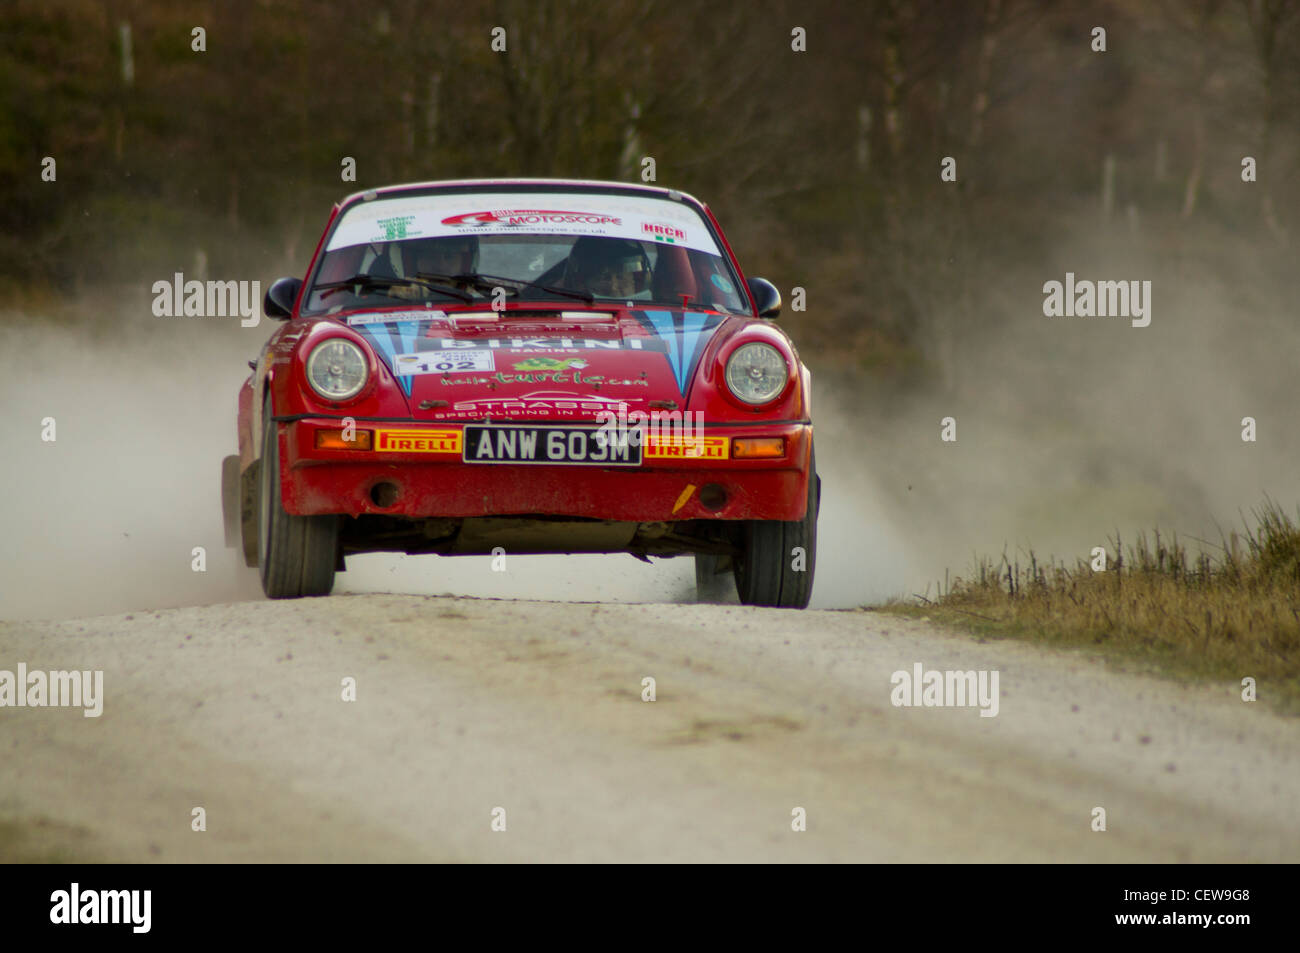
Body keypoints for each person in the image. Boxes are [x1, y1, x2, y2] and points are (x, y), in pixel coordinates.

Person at [388, 236, 479, 299]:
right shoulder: (382, 297)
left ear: (465, 263)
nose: (441, 266)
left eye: (449, 256)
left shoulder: (484, 296)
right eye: (430, 257)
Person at [562, 237, 651, 298]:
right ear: (582, 285)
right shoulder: (557, 300)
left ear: (634, 283)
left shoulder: (653, 306)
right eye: (604, 278)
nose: (613, 287)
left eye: (620, 278)